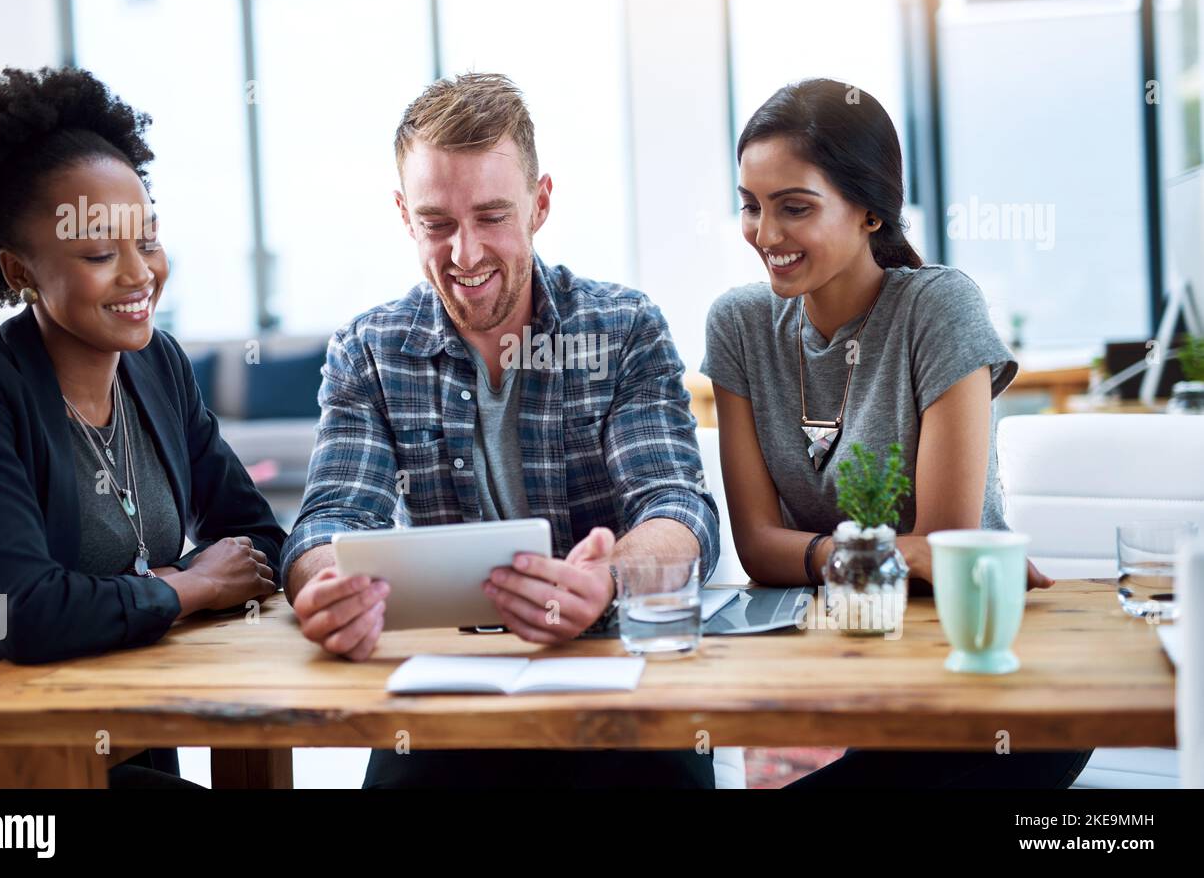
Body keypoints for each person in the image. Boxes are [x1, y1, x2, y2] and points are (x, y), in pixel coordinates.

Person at [283, 72, 719, 788]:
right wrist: (329, 586)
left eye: (491, 216)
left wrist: (607, 580)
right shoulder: (368, 350)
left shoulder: (624, 327)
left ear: (540, 203)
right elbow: (325, 521)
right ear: (403, 215)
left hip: (613, 682)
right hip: (442, 699)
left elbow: (677, 510)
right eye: (437, 224)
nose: (465, 255)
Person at [702, 77, 1090, 788]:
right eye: (751, 207)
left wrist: (826, 555)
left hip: (999, 688)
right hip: (879, 678)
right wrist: (888, 553)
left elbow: (943, 549)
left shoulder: (938, 308)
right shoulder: (739, 327)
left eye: (795, 208)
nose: (765, 234)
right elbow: (758, 548)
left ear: (871, 212)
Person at [0, 67, 284, 788]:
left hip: (123, 734)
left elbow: (258, 539)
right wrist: (187, 587)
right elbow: (26, 613)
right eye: (101, 253)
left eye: (148, 239)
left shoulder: (158, 367)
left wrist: (176, 580)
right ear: (21, 270)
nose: (141, 274)